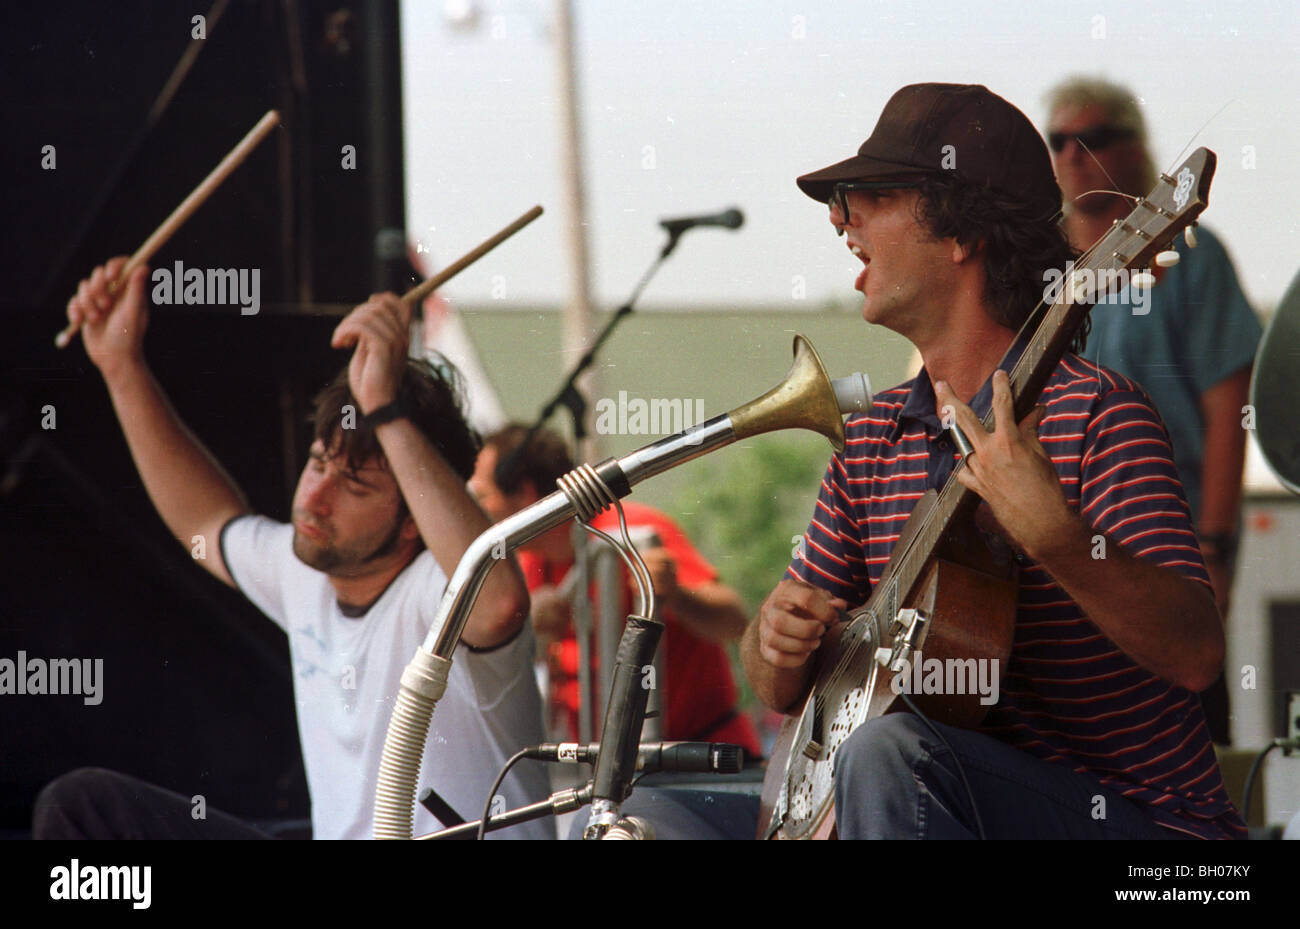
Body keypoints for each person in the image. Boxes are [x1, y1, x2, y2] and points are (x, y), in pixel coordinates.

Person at [742, 83, 1245, 839]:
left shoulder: (1098, 417)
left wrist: (1060, 539)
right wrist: (774, 639)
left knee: (891, 756)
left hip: (1155, 845)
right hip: (956, 815)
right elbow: (776, 684)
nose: (843, 219)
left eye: (870, 195)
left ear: (960, 232)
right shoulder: (872, 440)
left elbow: (1199, 651)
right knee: (651, 812)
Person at [33, 259, 550, 840]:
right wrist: (120, 365)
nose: (317, 496)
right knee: (85, 808)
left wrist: (386, 408)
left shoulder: (438, 591)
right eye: (318, 462)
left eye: (355, 485)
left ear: (413, 523)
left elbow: (499, 601)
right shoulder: (305, 570)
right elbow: (207, 519)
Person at [1045, 76, 1262, 744]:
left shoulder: (1194, 257)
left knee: (1182, 752)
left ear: (1138, 146)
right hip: (1052, 570)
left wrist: (1216, 553)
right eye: (1059, 140)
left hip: (1167, 561)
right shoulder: (1030, 265)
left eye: (1096, 135)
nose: (1076, 153)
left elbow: (1231, 413)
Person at [470, 424, 762, 759]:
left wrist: (676, 593)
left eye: (481, 497)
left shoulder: (632, 531)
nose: (477, 511)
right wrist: (527, 630)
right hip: (612, 767)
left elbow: (735, 623)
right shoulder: (527, 565)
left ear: (522, 492)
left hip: (697, 757)